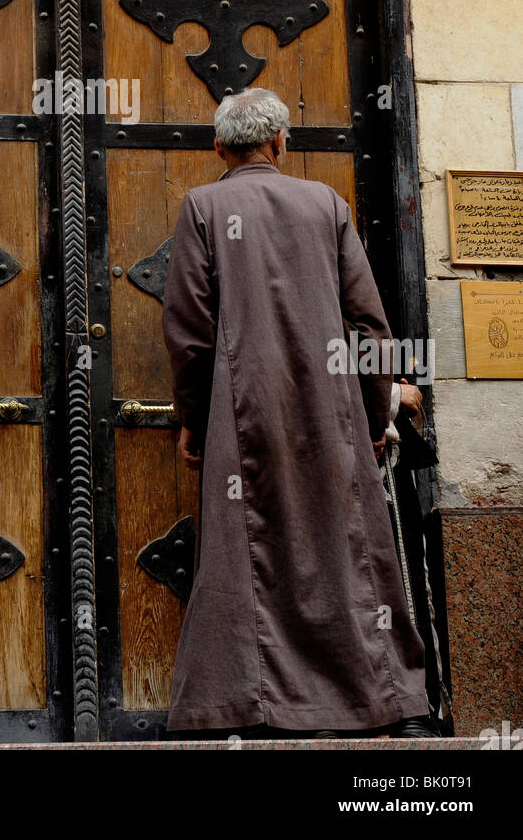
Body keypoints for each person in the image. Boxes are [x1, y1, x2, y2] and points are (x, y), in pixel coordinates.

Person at [162, 87, 436, 738]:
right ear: (281, 142)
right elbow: (370, 329)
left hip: (242, 412)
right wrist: (376, 418)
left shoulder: (203, 206)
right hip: (330, 410)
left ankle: (243, 709)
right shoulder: (325, 203)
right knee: (349, 554)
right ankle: (394, 710)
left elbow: (191, 334)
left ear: (219, 147)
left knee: (243, 559)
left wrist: (196, 423)